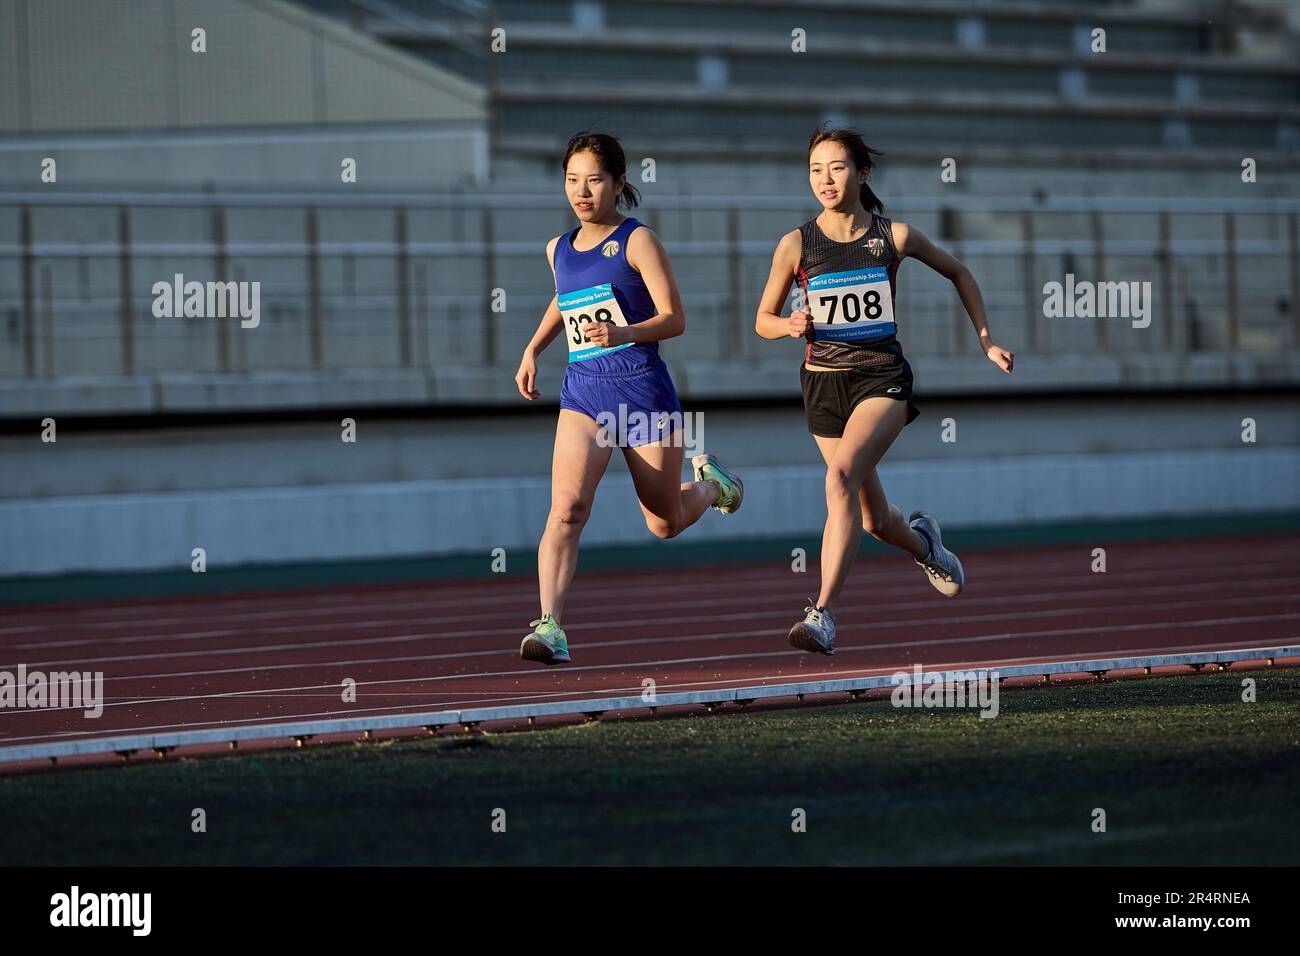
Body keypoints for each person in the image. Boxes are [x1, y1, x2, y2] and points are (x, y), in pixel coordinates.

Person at [754, 126, 1014, 655]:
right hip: (823, 386)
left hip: (881, 380)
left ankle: (822, 613)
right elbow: (761, 319)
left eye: (837, 167)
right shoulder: (795, 244)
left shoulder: (892, 236)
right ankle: (925, 545)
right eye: (815, 170)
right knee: (874, 520)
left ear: (862, 172)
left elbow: (958, 272)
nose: (825, 179)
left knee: (840, 477)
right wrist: (788, 325)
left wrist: (986, 340)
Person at [514, 132, 744, 665]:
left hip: (642, 392)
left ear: (619, 183)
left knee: (662, 522)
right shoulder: (559, 248)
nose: (582, 191)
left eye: (594, 180)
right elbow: (565, 298)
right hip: (584, 393)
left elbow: (675, 319)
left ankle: (711, 488)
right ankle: (550, 626)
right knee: (567, 509)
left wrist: (623, 333)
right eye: (572, 180)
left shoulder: (639, 241)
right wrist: (532, 349)